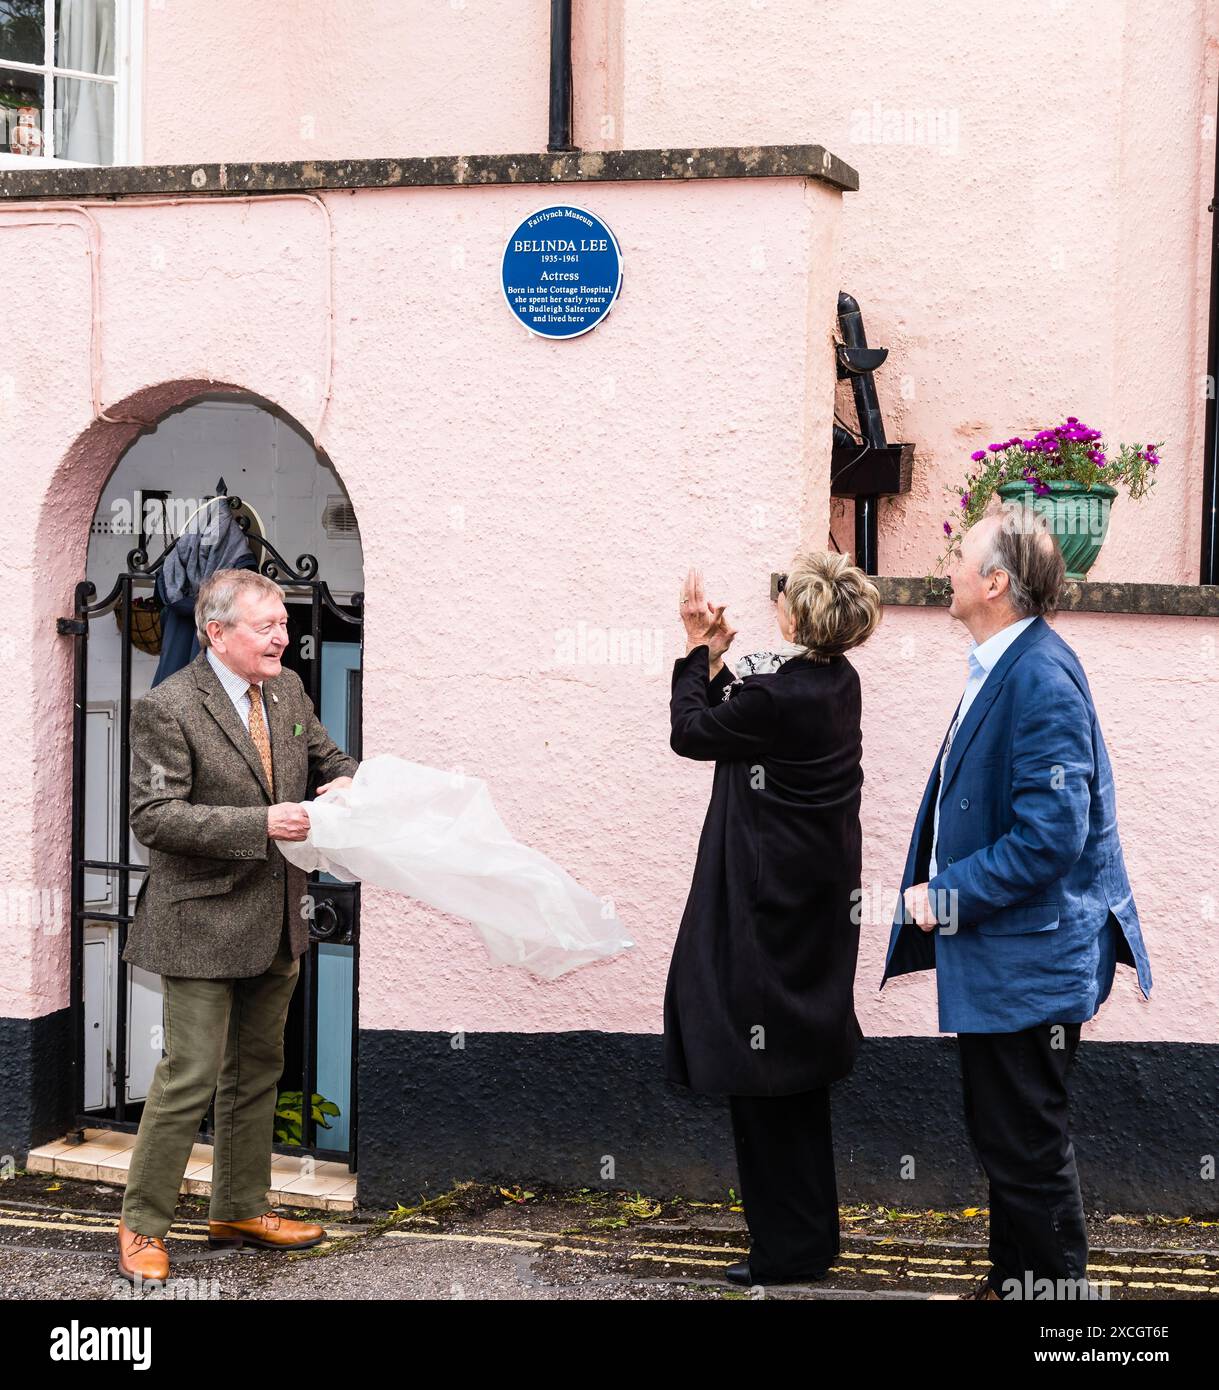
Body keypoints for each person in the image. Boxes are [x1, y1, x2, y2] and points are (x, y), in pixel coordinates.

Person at [882, 502, 1152, 1301]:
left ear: (994, 582)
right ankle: (1015, 1282)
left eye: (959, 557)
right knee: (1006, 1135)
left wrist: (945, 894)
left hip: (1030, 955)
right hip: (1007, 953)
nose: (948, 569)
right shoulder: (1006, 663)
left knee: (1025, 1140)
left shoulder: (1036, 675)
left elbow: (1050, 836)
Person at [116, 568, 360, 1284]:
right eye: (268, 625)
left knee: (257, 1073)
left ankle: (239, 1209)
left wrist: (346, 779)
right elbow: (154, 819)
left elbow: (327, 756)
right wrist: (261, 823)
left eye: (285, 623)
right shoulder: (167, 707)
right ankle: (141, 1227)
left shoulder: (287, 691)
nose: (284, 636)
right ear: (217, 633)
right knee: (189, 1076)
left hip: (277, 919)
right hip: (197, 925)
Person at [665, 551, 882, 1286]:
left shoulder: (781, 696)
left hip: (763, 916)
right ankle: (810, 1239)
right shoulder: (832, 683)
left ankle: (784, 1252)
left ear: (797, 617)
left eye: (783, 597)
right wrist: (721, 666)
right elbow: (746, 725)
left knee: (761, 1082)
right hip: (811, 912)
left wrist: (697, 653)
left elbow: (695, 733)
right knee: (798, 1083)